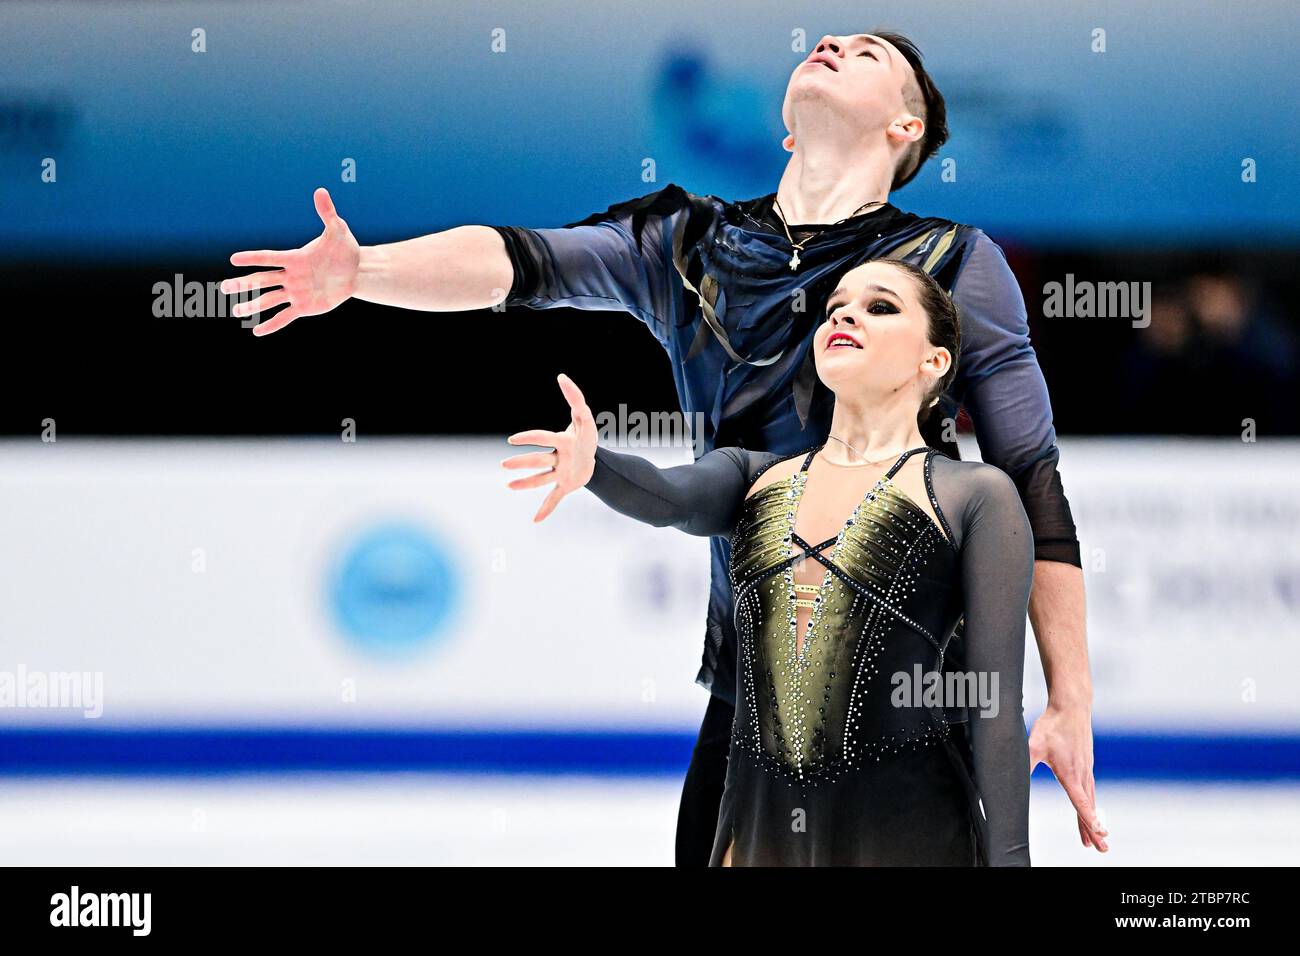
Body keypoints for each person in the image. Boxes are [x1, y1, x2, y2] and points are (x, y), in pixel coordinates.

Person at [222, 30, 1106, 862]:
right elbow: (522, 264)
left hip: (907, 697)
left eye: (869, 50)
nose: (832, 42)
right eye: (828, 41)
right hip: (750, 698)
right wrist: (364, 272)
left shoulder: (950, 262)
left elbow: (1032, 479)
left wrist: (1070, 695)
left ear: (904, 126)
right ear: (785, 128)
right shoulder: (688, 243)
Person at [503, 259, 1032, 865]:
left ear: (932, 361)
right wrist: (595, 468)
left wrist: (1011, 861)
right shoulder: (756, 478)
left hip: (910, 831)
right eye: (836, 307)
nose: (845, 315)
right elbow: (669, 497)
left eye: (879, 307)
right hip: (757, 833)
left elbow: (993, 705)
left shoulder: (974, 495)